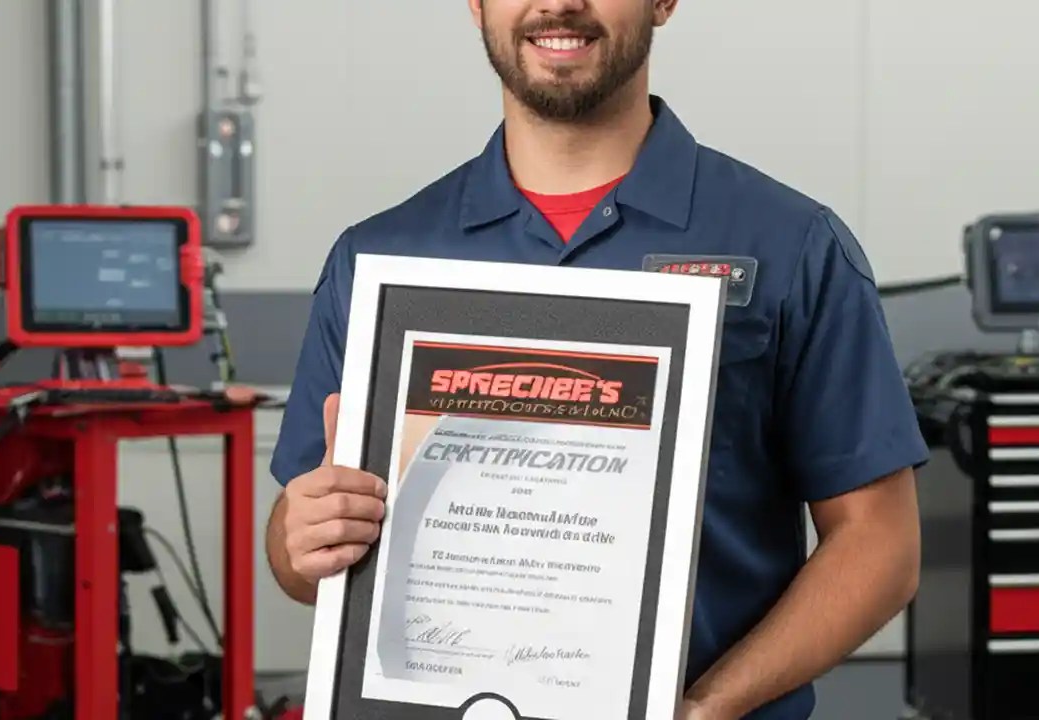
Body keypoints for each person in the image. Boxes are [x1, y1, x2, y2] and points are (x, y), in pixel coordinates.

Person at [266, 1, 927, 717]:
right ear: (477, 5)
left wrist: (706, 708)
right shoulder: (380, 258)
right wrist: (301, 542)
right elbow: (300, 555)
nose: (558, 4)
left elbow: (880, 543)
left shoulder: (791, 247)